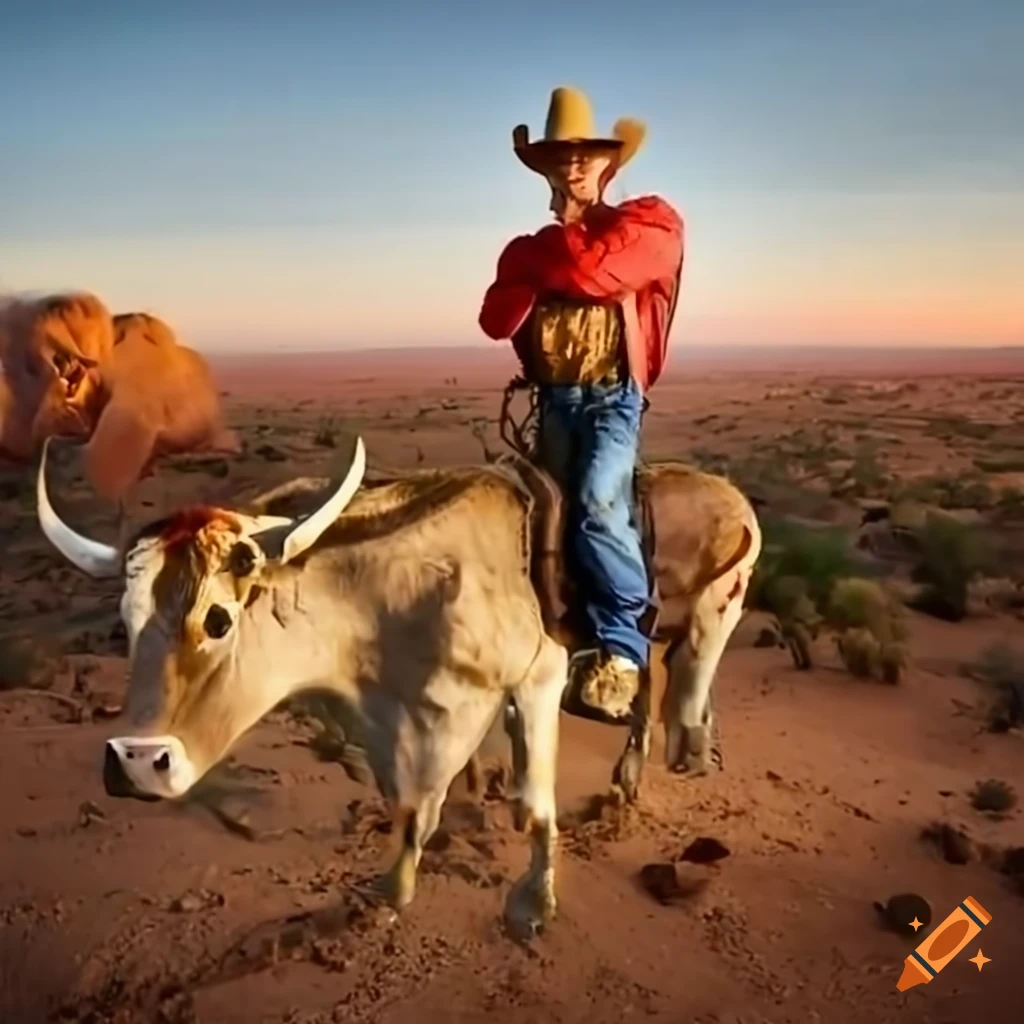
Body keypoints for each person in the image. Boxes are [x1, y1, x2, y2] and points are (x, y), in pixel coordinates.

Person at [478, 86, 685, 719]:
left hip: (612, 399)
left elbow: (596, 275)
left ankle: (625, 651)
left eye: (585, 154)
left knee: (598, 498)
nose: (571, 164)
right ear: (544, 167)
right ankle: (550, 645)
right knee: (529, 520)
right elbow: (495, 318)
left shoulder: (650, 224)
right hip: (555, 399)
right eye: (557, 156)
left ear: (608, 163)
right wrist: (542, 256)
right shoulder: (527, 247)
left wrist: (551, 247)